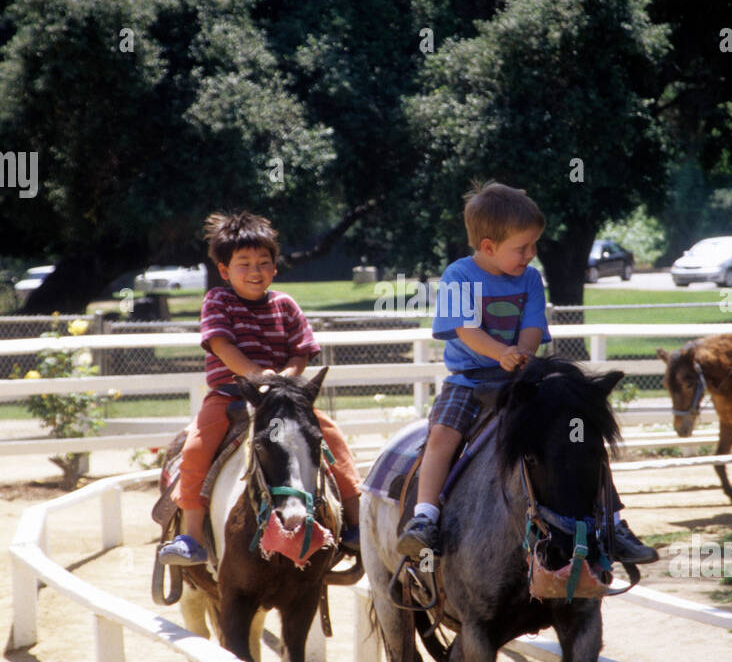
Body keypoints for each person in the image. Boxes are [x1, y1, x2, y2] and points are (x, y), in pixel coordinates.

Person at [397, 181, 656, 565]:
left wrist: (523, 354)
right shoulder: (458, 276)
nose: (531, 255)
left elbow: (534, 325)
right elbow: (466, 331)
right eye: (523, 248)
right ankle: (424, 518)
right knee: (441, 436)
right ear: (488, 247)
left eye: (534, 245)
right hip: (470, 380)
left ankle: (613, 523)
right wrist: (502, 353)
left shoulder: (531, 279)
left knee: (578, 433)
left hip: (521, 375)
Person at [159, 211, 361, 566]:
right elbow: (222, 346)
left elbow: (301, 350)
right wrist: (257, 376)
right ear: (224, 270)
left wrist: (282, 381)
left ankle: (356, 522)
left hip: (283, 399)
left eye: (264, 263)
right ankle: (191, 536)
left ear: (275, 267)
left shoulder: (286, 305)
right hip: (230, 397)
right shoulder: (218, 302)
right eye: (244, 263)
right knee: (196, 449)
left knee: (332, 439)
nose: (255, 271)